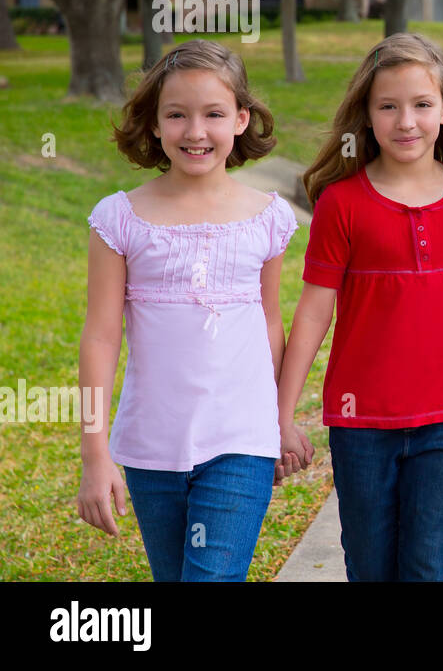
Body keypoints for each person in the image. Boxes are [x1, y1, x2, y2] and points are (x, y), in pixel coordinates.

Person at [78, 39, 306, 581]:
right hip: (149, 448)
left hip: (240, 443)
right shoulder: (120, 219)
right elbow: (100, 337)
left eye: (214, 114)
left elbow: (269, 322)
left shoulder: (267, 218)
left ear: (241, 119)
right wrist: (94, 452)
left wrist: (278, 419)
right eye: (177, 115)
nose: (196, 131)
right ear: (155, 124)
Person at [277, 33, 443, 581]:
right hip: (361, 422)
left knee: (430, 568)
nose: (406, 121)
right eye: (388, 106)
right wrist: (279, 414)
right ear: (367, 115)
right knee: (370, 569)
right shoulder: (342, 202)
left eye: (422, 104)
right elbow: (312, 312)